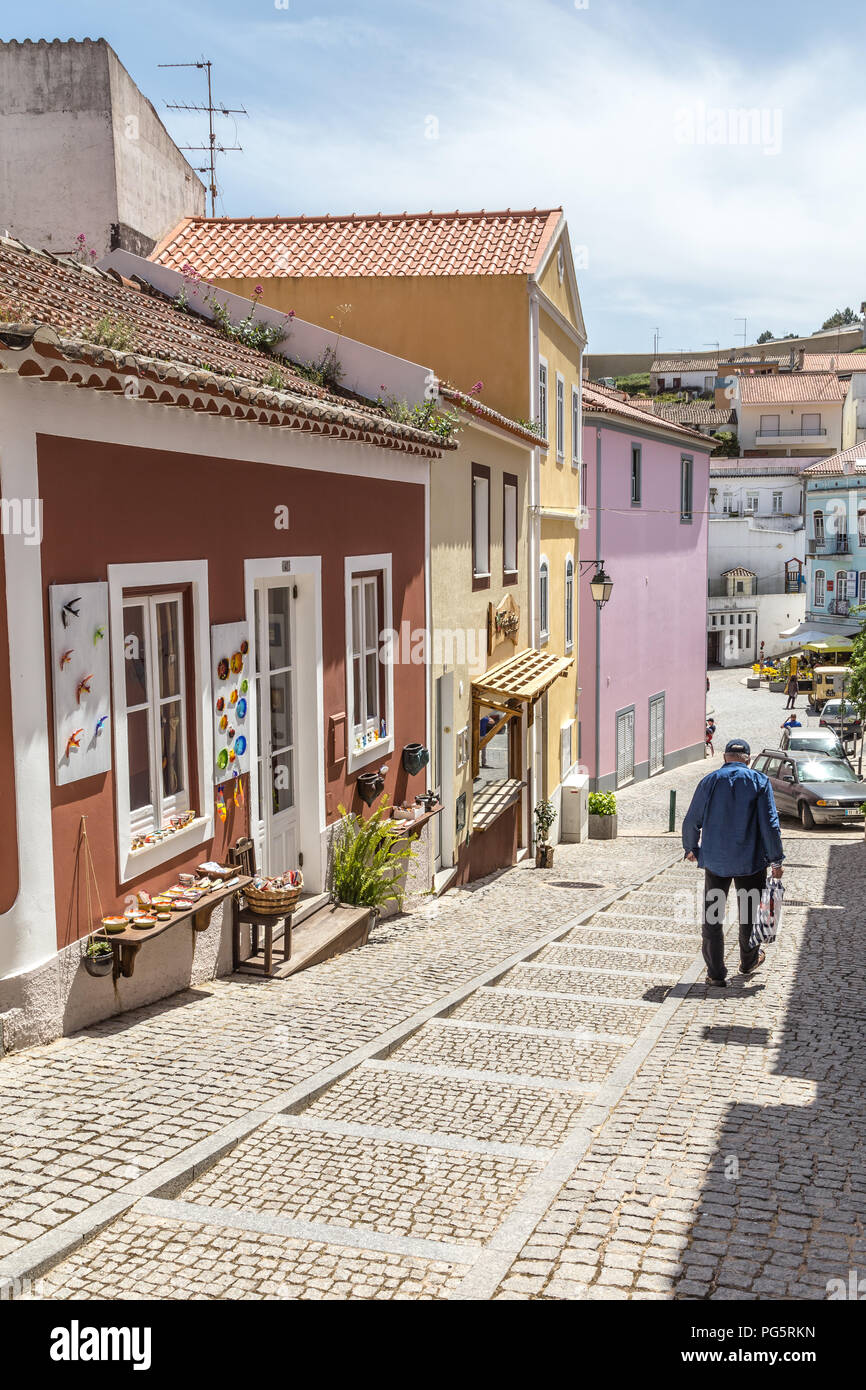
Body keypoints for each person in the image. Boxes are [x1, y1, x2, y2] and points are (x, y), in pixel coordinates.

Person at [682, 737, 785, 988]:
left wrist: (690, 847)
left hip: (716, 861)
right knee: (749, 913)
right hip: (751, 861)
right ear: (748, 760)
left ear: (724, 757)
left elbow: (691, 819)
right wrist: (776, 860)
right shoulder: (759, 782)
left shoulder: (709, 781)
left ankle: (716, 974)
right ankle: (748, 961)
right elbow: (770, 825)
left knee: (712, 915)